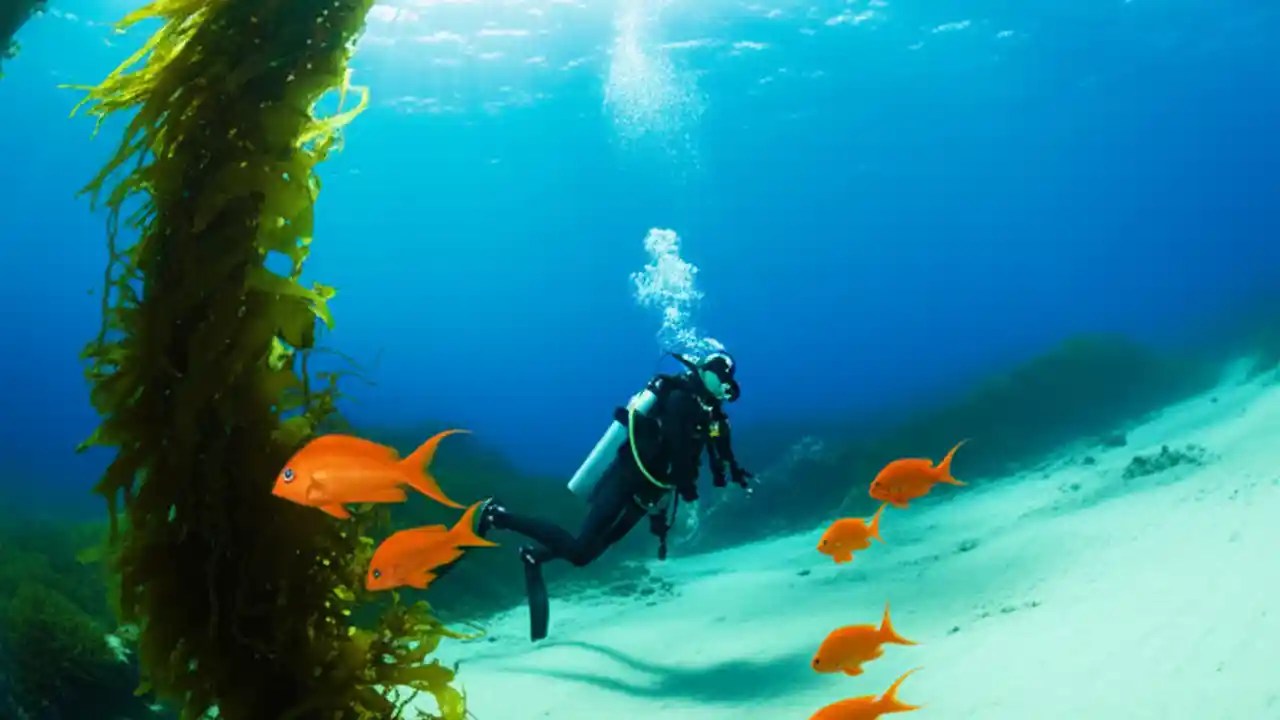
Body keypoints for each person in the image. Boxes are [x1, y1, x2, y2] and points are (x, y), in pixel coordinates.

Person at [475, 349, 754, 641]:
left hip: (648, 493)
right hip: (626, 479)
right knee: (580, 550)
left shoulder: (708, 413)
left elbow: (715, 450)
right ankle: (497, 516)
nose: (722, 386)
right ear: (705, 373)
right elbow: (679, 450)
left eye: (725, 381)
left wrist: (732, 472)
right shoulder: (679, 400)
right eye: (719, 378)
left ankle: (535, 555)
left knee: (587, 554)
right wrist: (688, 492)